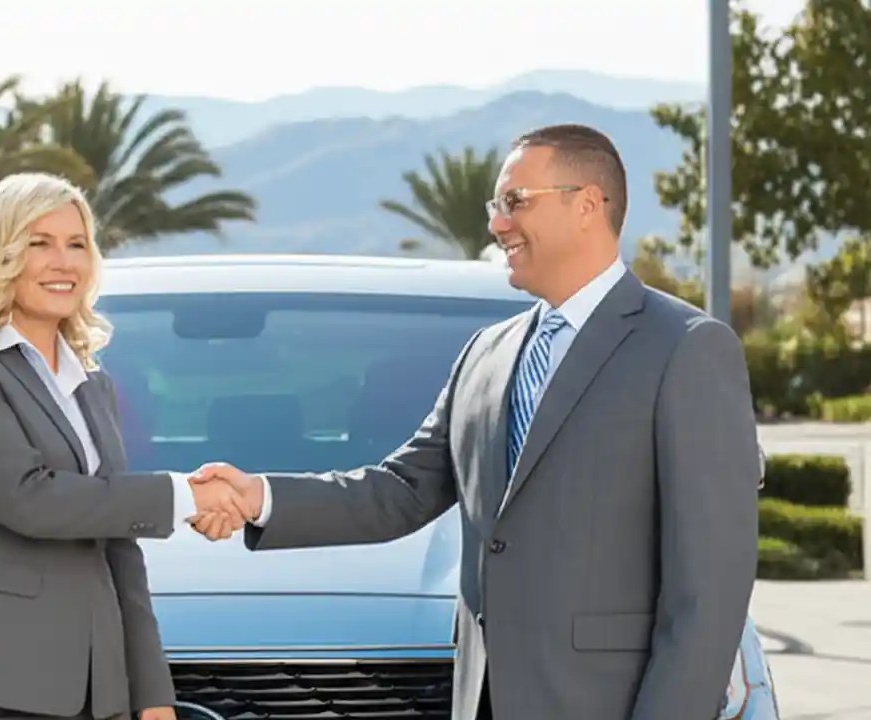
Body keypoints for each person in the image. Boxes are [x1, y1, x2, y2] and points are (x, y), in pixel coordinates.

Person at [190, 124, 760, 720]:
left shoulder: (687, 349)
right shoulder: (485, 354)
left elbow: (709, 594)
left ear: (588, 204)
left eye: (515, 202)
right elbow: (400, 492)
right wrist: (259, 496)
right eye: (497, 205)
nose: (497, 224)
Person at [0, 172, 249, 720]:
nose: (64, 262)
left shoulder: (90, 383)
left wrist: (154, 697)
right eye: (39, 243)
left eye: (76, 244)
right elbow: (30, 500)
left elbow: (120, 549)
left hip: (94, 695)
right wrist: (186, 497)